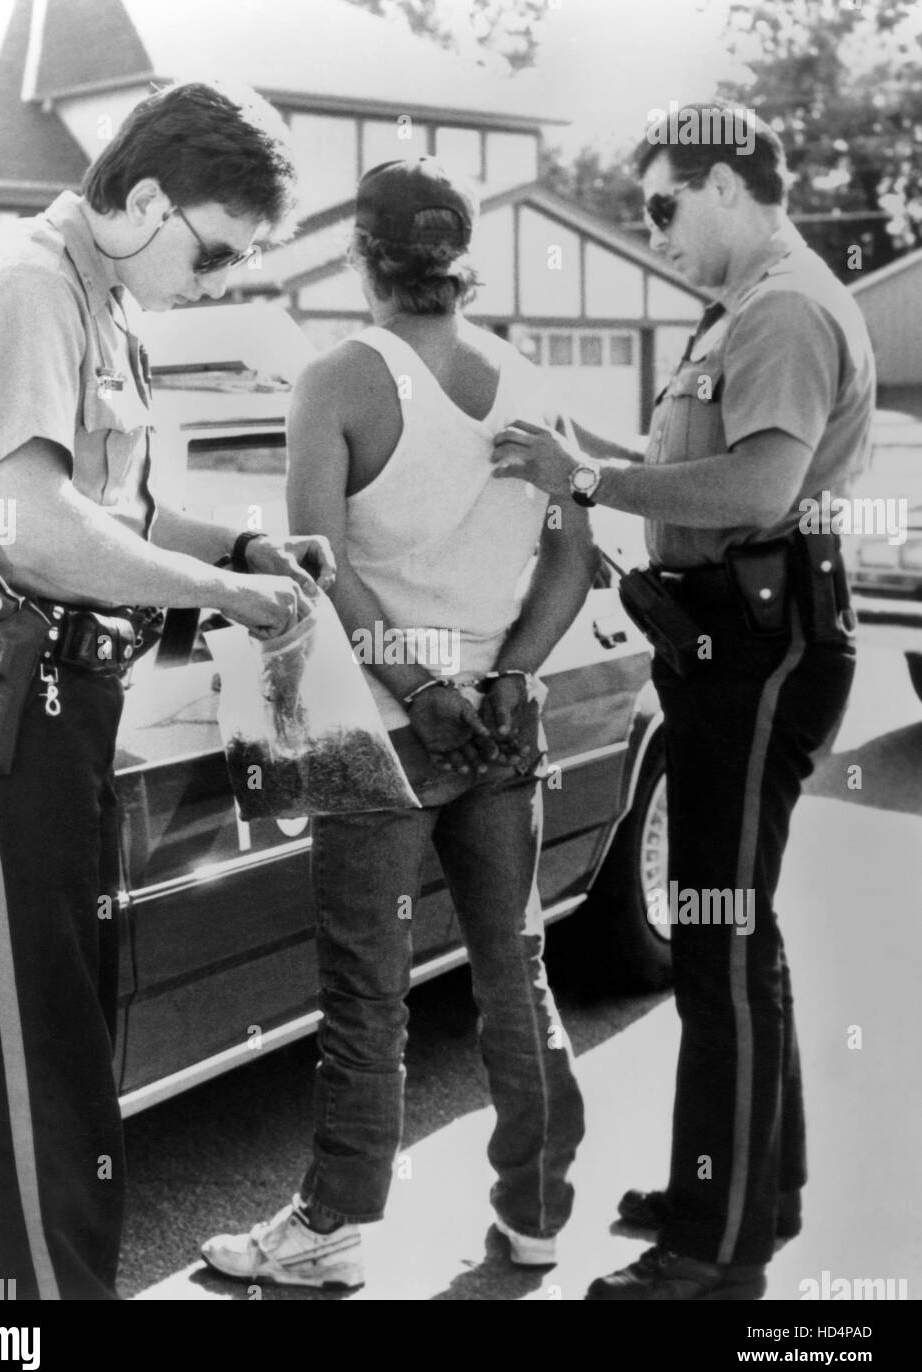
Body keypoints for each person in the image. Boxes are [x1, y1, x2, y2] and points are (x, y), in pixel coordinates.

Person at [0, 80, 334, 1301]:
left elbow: (116, 513)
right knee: (53, 1052)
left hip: (64, 695)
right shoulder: (29, 285)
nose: (221, 275)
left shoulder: (99, 295)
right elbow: (33, 526)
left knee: (53, 1031)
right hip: (3, 692)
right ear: (145, 200)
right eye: (216, 247)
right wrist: (220, 594)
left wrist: (241, 552)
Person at [492, 105, 874, 1300]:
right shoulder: (750, 310)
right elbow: (704, 464)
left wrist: (591, 477)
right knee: (732, 933)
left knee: (717, 938)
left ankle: (716, 1249)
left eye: (660, 203)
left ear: (721, 183)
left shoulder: (785, 310)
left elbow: (756, 478)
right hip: (733, 637)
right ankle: (752, 1184)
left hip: (758, 644)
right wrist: (574, 442)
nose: (651, 230)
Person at [200, 157, 597, 1289]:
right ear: (461, 255)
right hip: (503, 730)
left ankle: (329, 1226)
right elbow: (571, 554)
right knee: (515, 971)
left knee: (367, 991)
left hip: (382, 729)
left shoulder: (341, 378)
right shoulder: (528, 379)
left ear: (359, 256)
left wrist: (421, 690)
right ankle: (532, 1217)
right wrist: (510, 673)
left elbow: (317, 571)